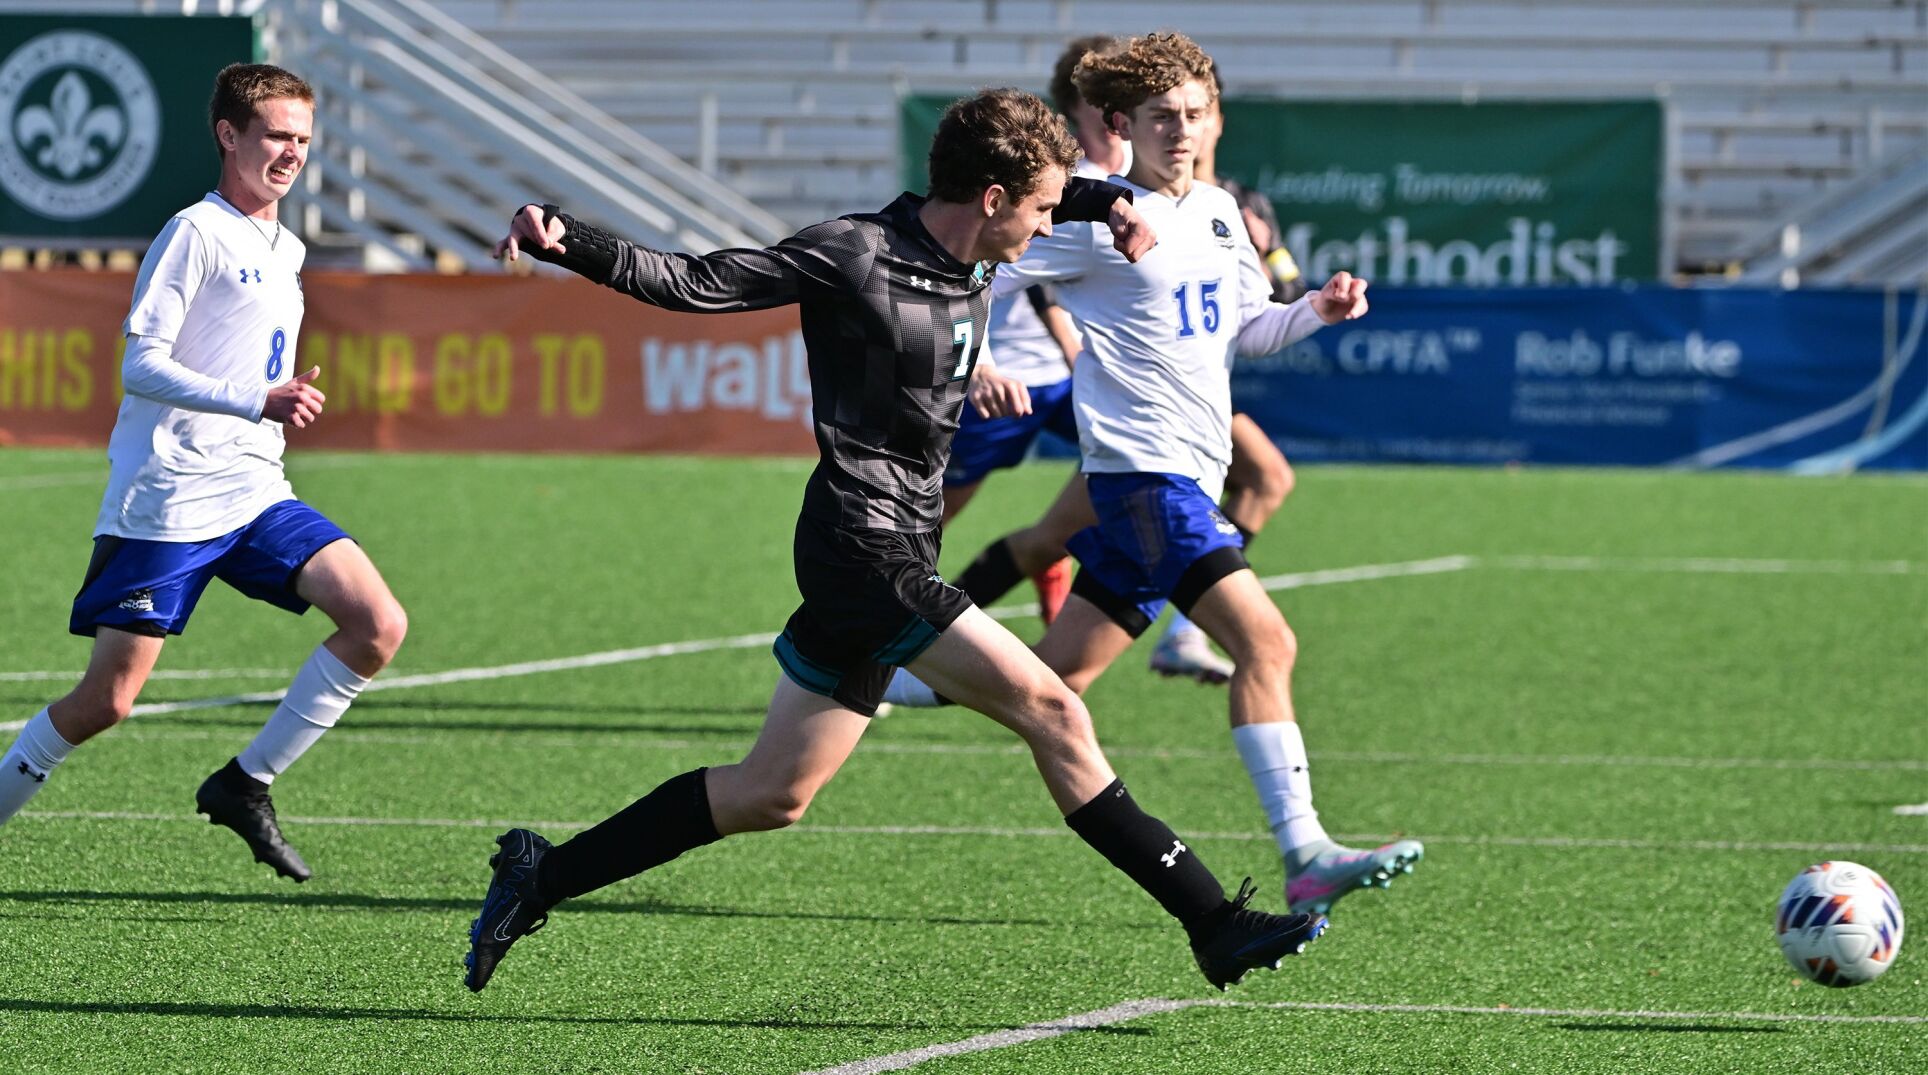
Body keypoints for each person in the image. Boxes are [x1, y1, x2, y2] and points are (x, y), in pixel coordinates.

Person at [464, 87, 1326, 994]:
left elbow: (1058, 192)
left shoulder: (992, 238)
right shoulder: (857, 253)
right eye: (1038, 208)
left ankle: (540, 874)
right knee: (1056, 710)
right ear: (990, 199)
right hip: (859, 547)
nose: (1046, 225)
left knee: (771, 793)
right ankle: (1213, 921)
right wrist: (569, 236)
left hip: (901, 548)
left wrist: (1107, 202)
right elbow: (694, 282)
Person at [886, 35, 1423, 917]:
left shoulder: (1218, 211)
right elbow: (974, 256)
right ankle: (1305, 850)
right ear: (1117, 123)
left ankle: (882, 672)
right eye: (1161, 116)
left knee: (1055, 678)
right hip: (1146, 480)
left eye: (1194, 113)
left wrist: (1315, 313)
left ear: (1215, 119)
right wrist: (974, 355)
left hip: (1189, 477)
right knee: (1269, 643)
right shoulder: (1101, 216)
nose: (1181, 129)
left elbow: (1246, 332)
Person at [0, 64, 408, 883]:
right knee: (104, 703)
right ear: (230, 136)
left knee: (376, 624)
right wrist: (256, 397)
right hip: (171, 498)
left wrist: (272, 407)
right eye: (275, 136)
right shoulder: (196, 231)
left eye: (301, 137)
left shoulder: (284, 243)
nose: (291, 152)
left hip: (255, 490)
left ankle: (244, 782)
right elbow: (141, 365)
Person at [938, 35, 1125, 626]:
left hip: (1077, 378)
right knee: (924, 526)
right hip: (1010, 377)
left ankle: (1049, 547)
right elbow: (999, 272)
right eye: (1122, 94)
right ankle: (877, 643)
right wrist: (983, 363)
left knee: (1153, 462)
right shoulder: (1059, 175)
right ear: (1085, 100)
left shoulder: (1135, 175)